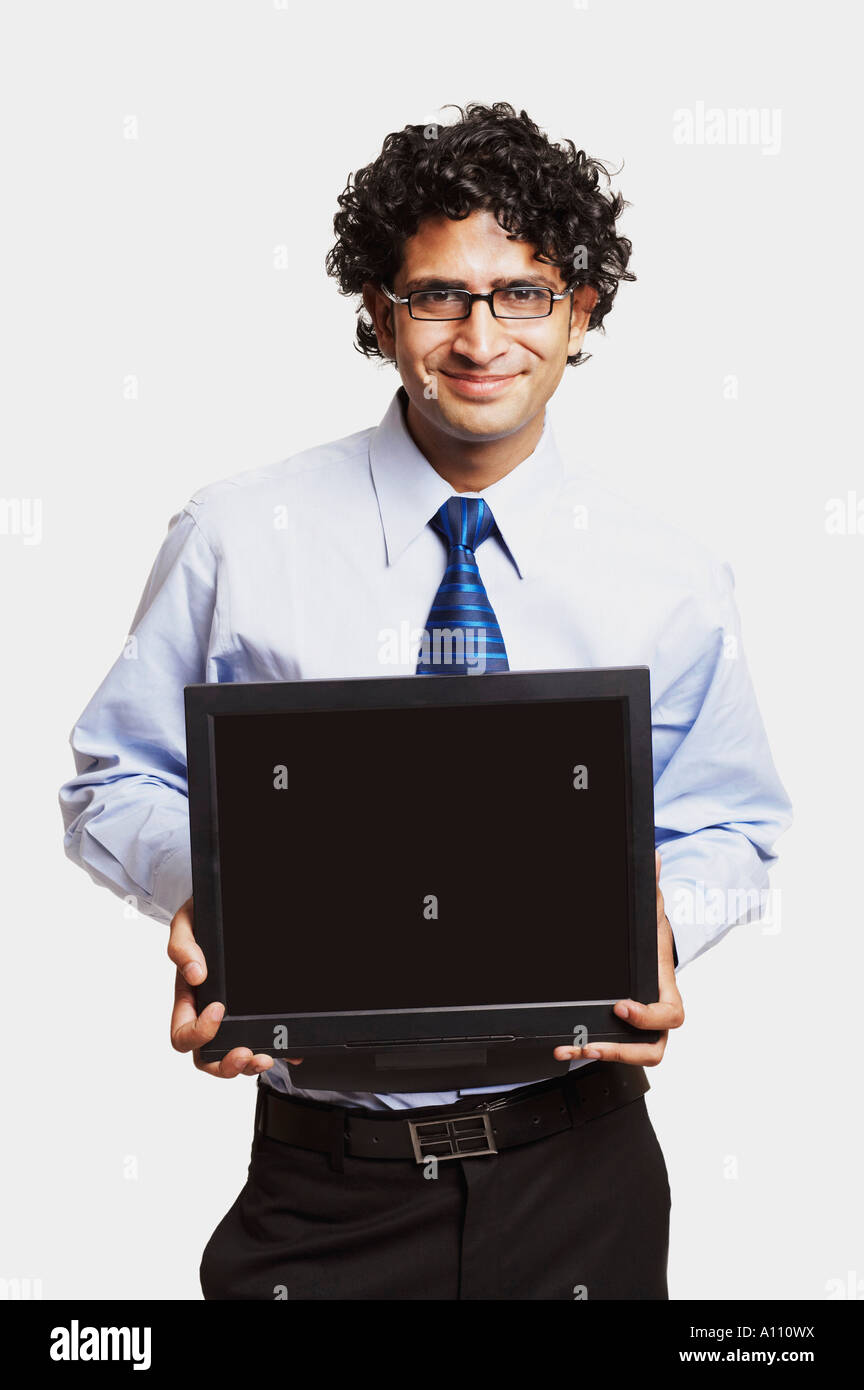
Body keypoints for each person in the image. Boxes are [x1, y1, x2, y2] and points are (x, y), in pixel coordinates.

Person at [59, 102, 792, 1300]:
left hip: (583, 1174)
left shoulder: (669, 575)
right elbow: (113, 777)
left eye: (524, 292)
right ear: (378, 312)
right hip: (324, 1188)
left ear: (581, 311)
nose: (480, 335)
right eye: (437, 294)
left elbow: (737, 825)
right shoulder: (240, 537)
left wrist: (665, 928)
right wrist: (212, 895)